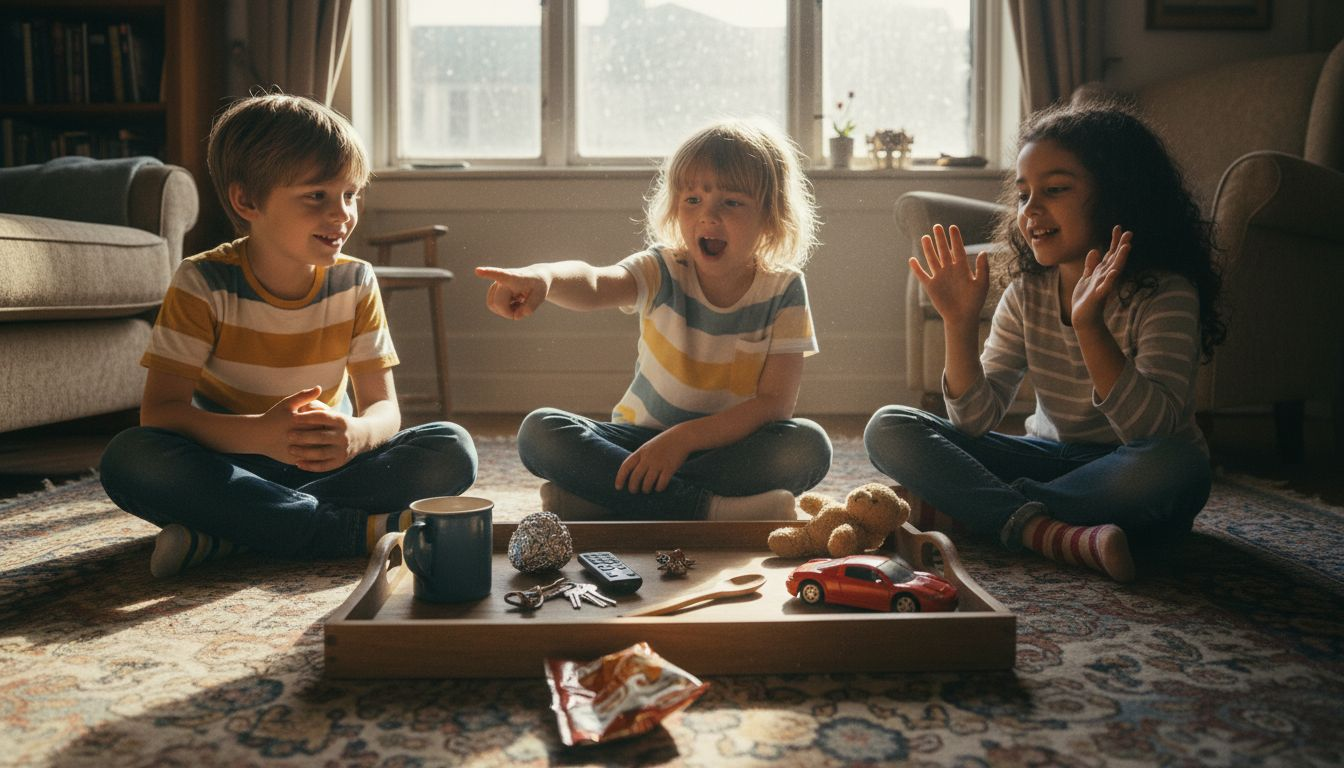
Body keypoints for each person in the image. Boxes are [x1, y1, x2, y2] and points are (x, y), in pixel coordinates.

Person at [99, 93, 478, 578]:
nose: (342, 214)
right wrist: (260, 433)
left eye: (350, 193)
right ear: (247, 201)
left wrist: (358, 435)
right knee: (130, 458)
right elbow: (160, 414)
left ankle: (227, 536)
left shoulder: (355, 280)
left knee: (451, 446)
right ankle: (344, 531)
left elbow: (385, 410)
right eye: (316, 196)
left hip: (328, 465)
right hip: (229, 467)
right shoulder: (202, 282)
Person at [865, 101, 1225, 582]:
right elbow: (974, 420)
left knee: (1177, 466)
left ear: (1119, 195)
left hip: (1126, 470)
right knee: (888, 425)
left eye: (1054, 190)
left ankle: (978, 507)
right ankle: (1046, 530)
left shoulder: (1166, 293)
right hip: (1048, 459)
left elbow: (1152, 432)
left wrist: (1089, 325)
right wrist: (959, 323)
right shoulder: (1026, 294)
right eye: (1022, 195)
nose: (1030, 211)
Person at [476, 119, 832, 521]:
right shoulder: (662, 267)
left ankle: (606, 497)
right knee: (540, 433)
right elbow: (595, 282)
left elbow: (774, 405)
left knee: (808, 447)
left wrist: (683, 440)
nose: (707, 216)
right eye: (692, 199)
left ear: (770, 216)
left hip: (728, 446)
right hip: (638, 441)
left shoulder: (784, 288)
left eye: (731, 202)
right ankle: (710, 509)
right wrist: (544, 276)